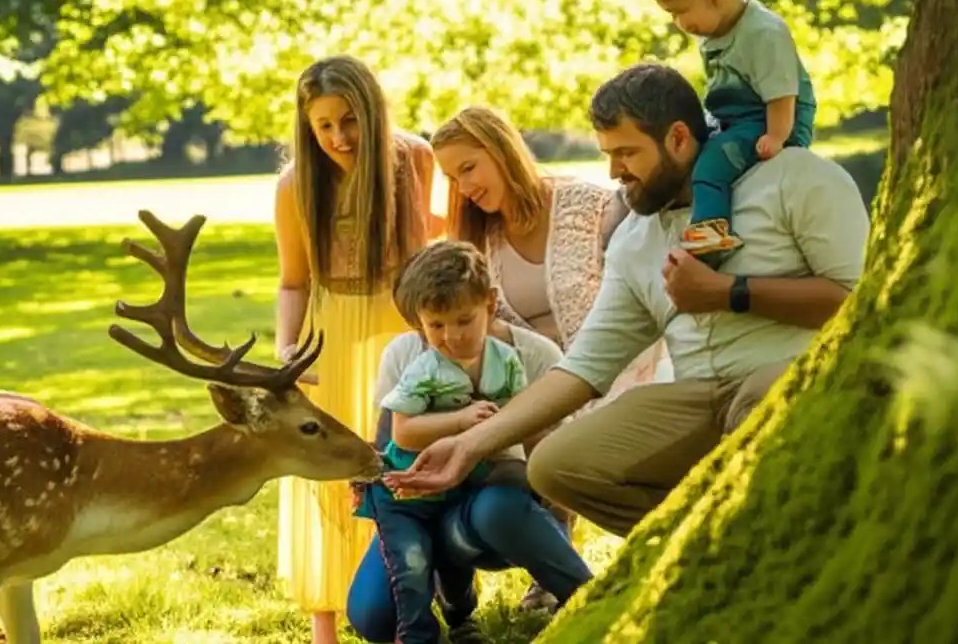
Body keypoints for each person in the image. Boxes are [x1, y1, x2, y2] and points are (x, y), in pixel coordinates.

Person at [385, 62, 869, 539]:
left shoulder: (792, 180)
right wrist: (469, 444)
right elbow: (583, 368)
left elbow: (861, 301)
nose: (614, 171)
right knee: (555, 466)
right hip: (698, 394)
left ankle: (775, 538)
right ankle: (709, 546)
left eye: (627, 153)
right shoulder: (636, 240)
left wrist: (729, 293)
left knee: (764, 399)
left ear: (679, 138)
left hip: (790, 370)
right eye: (607, 153)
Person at [430, 104, 665, 609]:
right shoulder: (479, 239)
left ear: (501, 150)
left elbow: (644, 280)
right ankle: (553, 566)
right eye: (452, 177)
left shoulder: (585, 205)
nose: (463, 186)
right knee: (527, 419)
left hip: (619, 367)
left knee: (567, 429)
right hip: (541, 381)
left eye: (468, 167)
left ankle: (659, 557)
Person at [274, 55, 438, 644]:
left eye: (349, 121)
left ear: (371, 113)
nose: (338, 138)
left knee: (393, 459)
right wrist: (286, 346)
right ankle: (324, 623)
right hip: (332, 336)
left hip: (399, 326)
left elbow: (423, 254)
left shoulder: (412, 159)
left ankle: (402, 598)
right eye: (324, 126)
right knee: (325, 467)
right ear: (307, 128)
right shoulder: (296, 185)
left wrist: (429, 338)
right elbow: (294, 281)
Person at [346, 256, 592, 643]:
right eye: (434, 325)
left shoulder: (532, 356)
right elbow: (393, 439)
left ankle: (587, 597)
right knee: (374, 617)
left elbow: (553, 458)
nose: (452, 336)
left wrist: (555, 534)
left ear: (489, 304)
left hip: (494, 512)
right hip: (422, 505)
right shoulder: (408, 354)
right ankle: (452, 612)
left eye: (464, 320)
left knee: (498, 507)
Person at [652, 0, 817, 262]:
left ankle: (711, 237)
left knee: (713, 164)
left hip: (772, 121)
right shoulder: (716, 27)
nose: (678, 23)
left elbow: (782, 95)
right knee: (690, 147)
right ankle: (675, 222)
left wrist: (776, 137)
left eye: (680, 11)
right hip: (736, 117)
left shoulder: (764, 34)